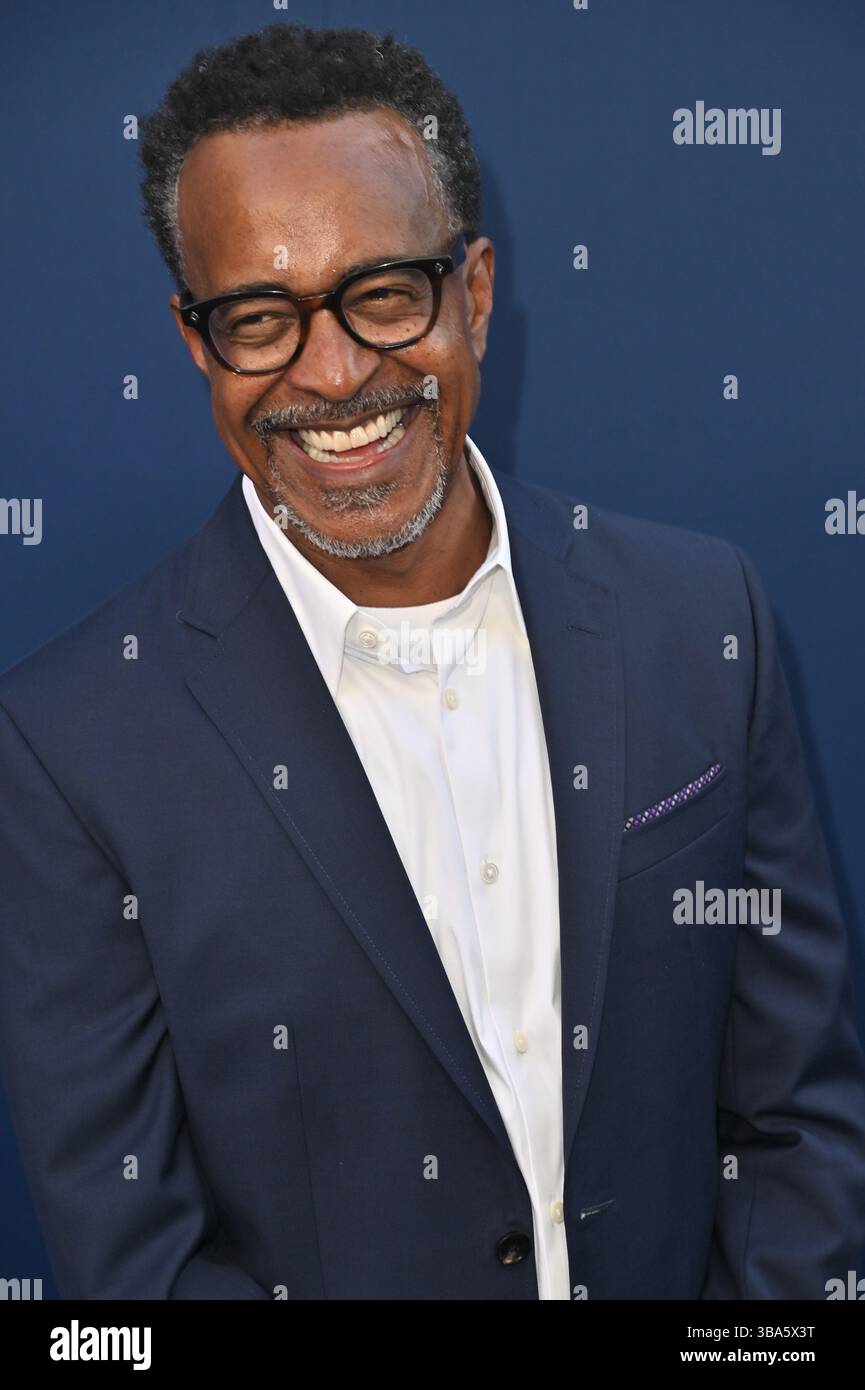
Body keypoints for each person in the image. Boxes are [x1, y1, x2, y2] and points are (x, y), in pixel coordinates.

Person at [1, 21, 864, 1301]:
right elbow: (135, 1280)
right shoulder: (70, 744)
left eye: (384, 293)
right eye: (259, 317)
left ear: (474, 288)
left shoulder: (700, 622)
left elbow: (795, 1123)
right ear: (196, 339)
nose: (336, 374)